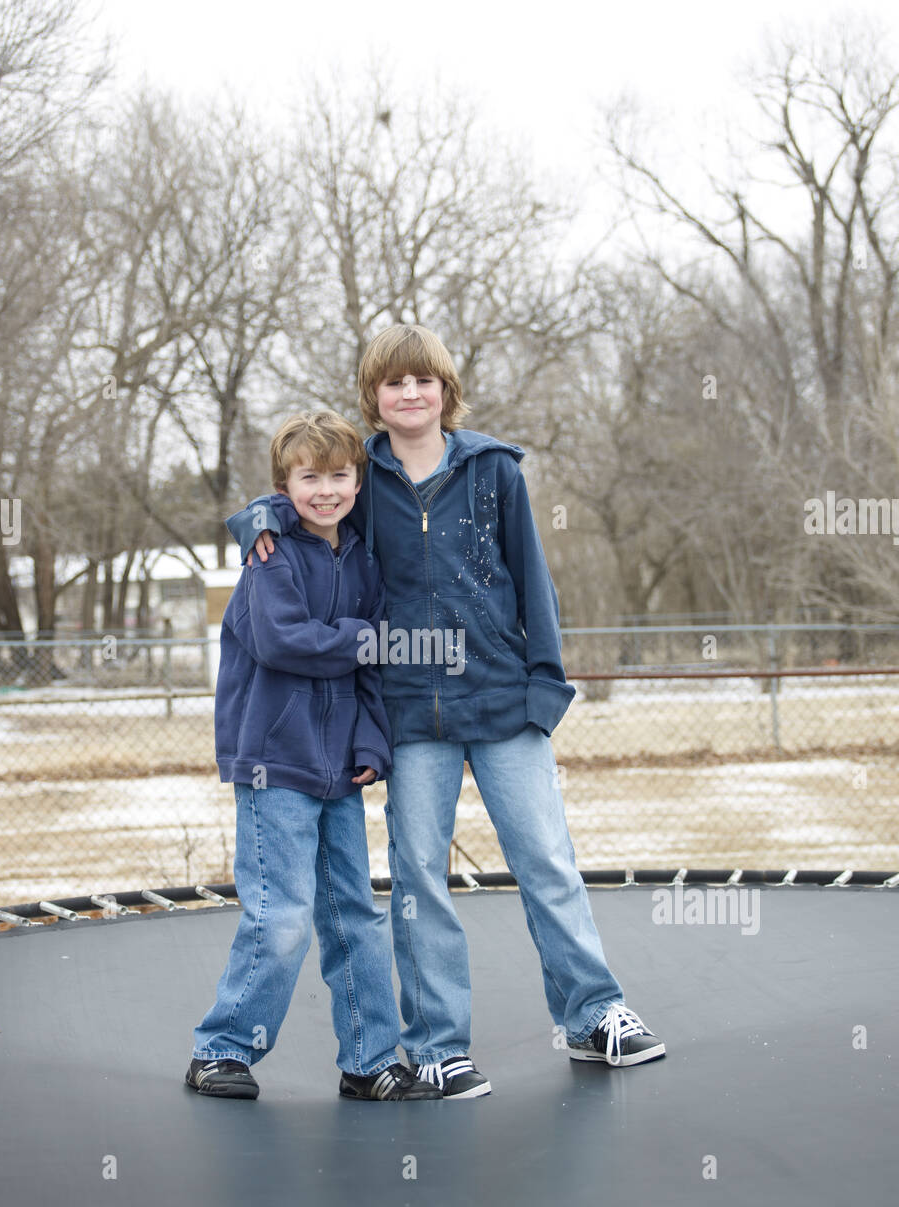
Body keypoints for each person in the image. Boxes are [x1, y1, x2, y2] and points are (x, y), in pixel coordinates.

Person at [228, 326, 665, 1098]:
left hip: (501, 698)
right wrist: (256, 519)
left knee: (545, 860)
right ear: (376, 396)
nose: (409, 395)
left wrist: (544, 684)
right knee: (422, 877)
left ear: (444, 389)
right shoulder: (363, 475)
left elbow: (533, 577)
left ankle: (593, 1013)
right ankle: (437, 1043)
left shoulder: (492, 469)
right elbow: (306, 501)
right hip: (409, 709)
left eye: (422, 382)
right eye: (393, 384)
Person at [186, 409, 441, 1102]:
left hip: (339, 769)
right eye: (308, 478)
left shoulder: (360, 557)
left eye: (338, 476)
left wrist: (370, 740)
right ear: (284, 484)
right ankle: (221, 1049)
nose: (325, 490)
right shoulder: (269, 555)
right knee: (283, 915)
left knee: (354, 911)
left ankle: (370, 1059)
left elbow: (371, 671)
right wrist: (363, 635)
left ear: (357, 480)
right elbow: (282, 642)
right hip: (275, 764)